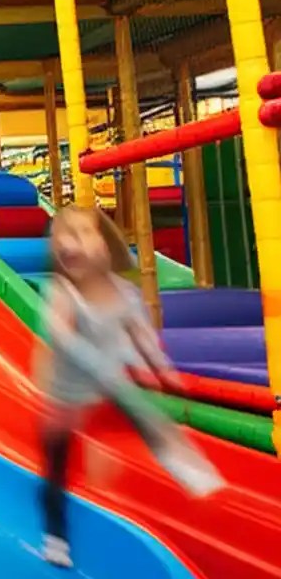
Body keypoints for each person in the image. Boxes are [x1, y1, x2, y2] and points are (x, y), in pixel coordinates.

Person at [37, 206, 222, 568]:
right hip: (64, 387)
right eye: (63, 237)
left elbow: (143, 336)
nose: (69, 244)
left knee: (143, 413)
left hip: (103, 378)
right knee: (56, 461)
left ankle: (191, 474)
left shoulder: (123, 293)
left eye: (81, 234)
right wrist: (106, 369)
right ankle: (55, 534)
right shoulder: (63, 293)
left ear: (105, 249)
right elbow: (62, 337)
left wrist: (162, 371)